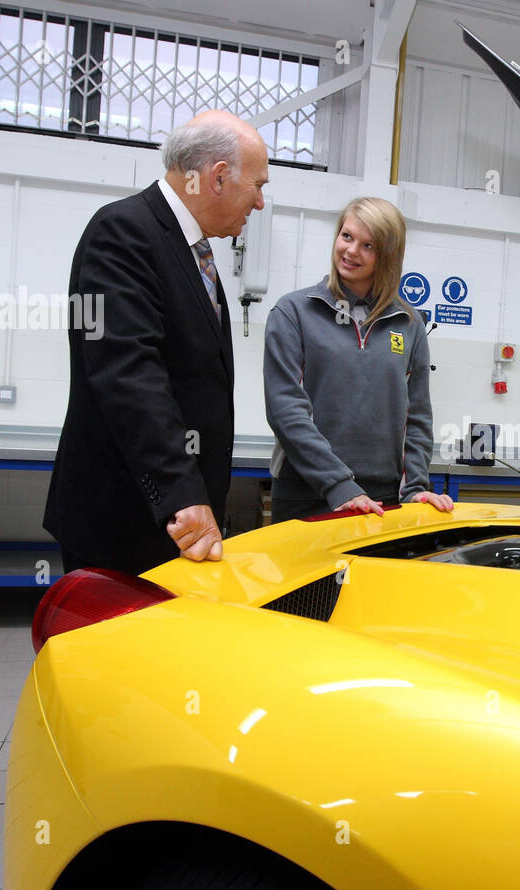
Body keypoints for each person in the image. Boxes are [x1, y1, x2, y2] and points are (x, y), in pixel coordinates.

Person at [44, 110, 269, 574]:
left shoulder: (195, 252)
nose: (260, 203)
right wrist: (182, 494)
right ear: (219, 177)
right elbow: (127, 374)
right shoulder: (124, 232)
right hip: (125, 522)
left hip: (172, 523)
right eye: (258, 185)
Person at [263, 197, 453, 521]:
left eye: (368, 245)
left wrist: (416, 487)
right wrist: (340, 487)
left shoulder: (409, 323)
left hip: (382, 497)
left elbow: (417, 416)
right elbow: (286, 410)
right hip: (306, 491)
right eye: (347, 236)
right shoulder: (293, 312)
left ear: (388, 256)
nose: (351, 251)